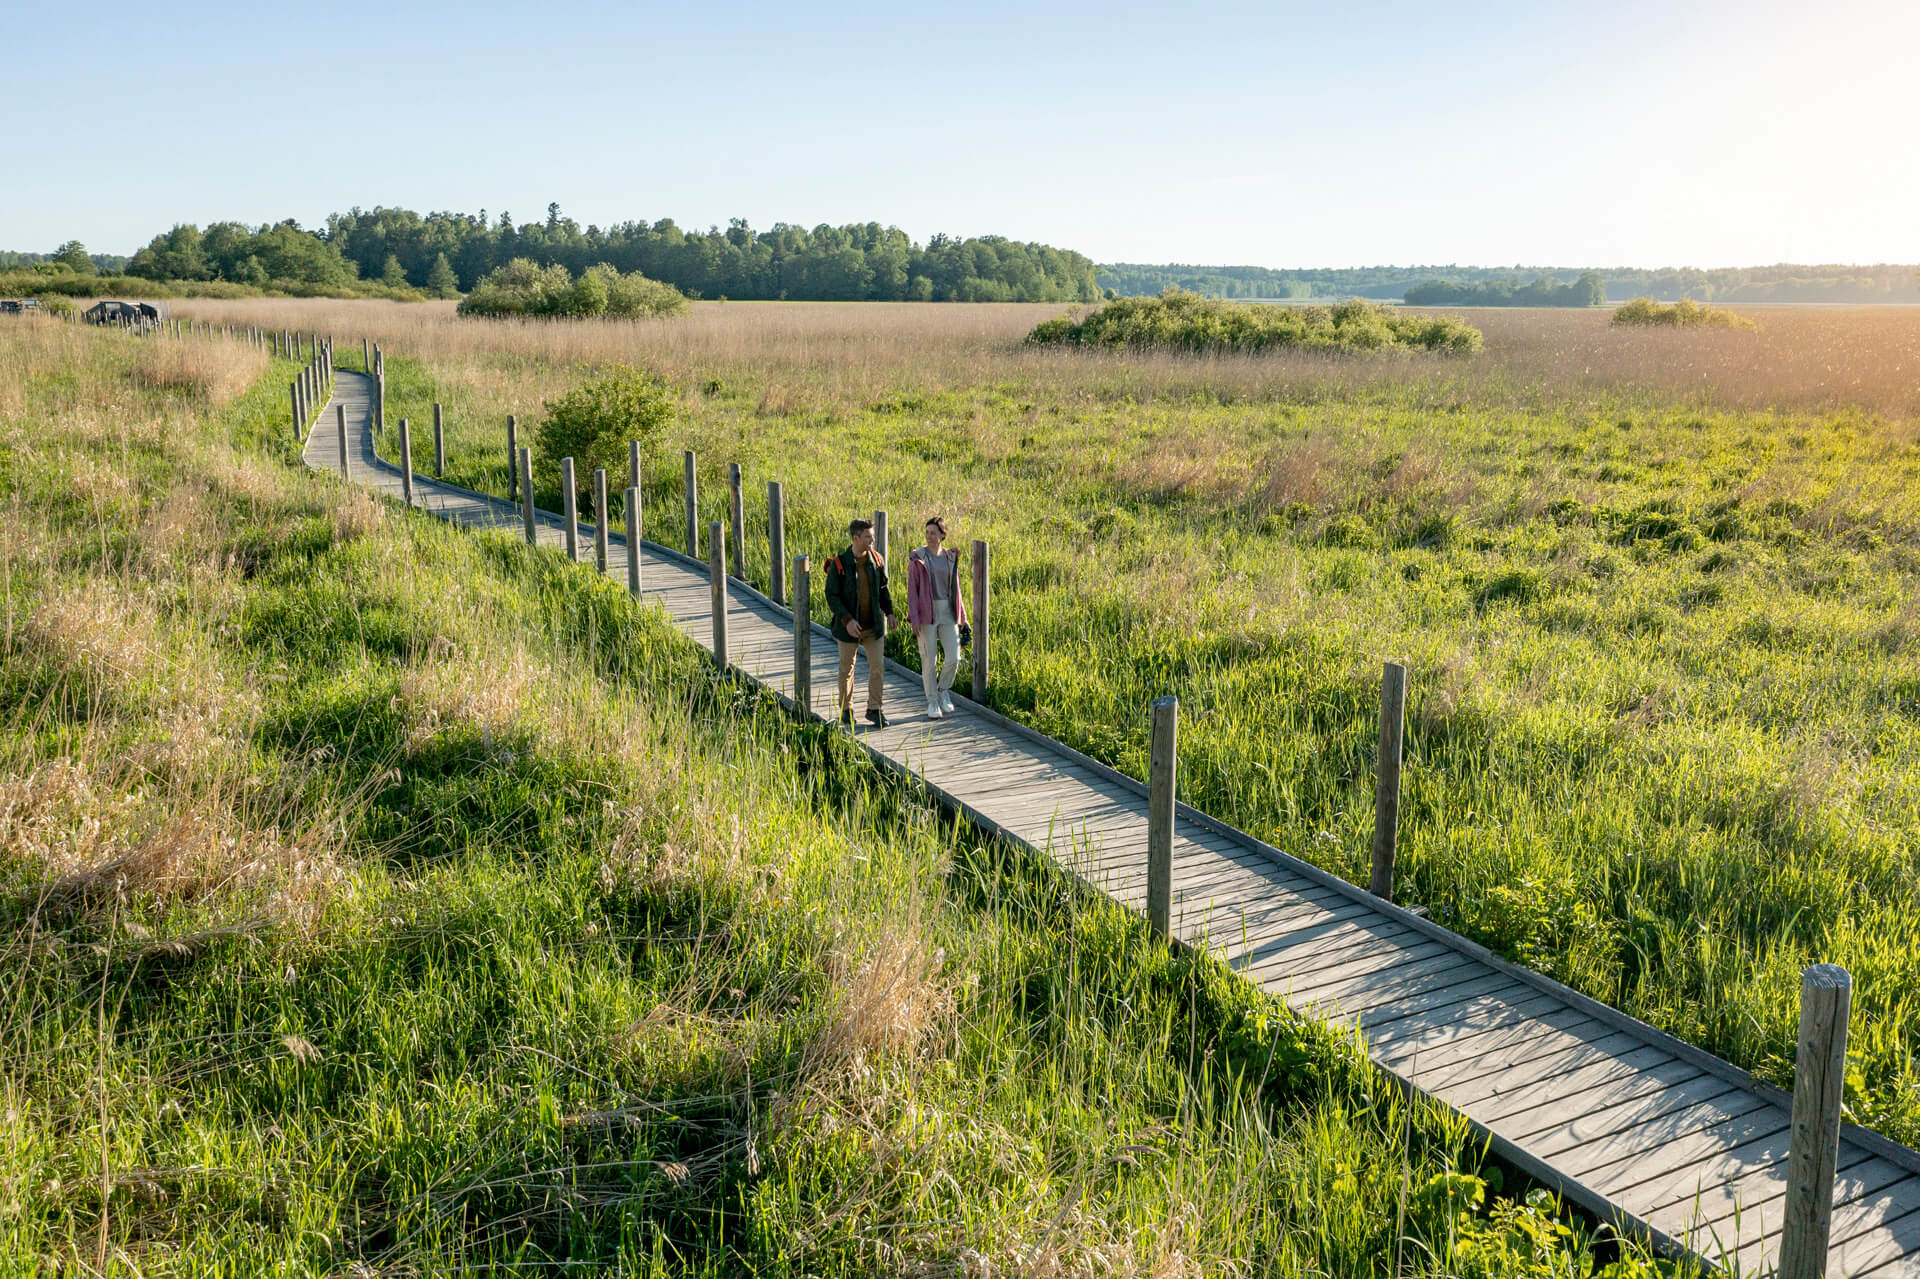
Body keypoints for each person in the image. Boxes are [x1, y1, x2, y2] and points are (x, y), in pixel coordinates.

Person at [824, 517, 896, 727]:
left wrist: (889, 612)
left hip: (873, 625)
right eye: (868, 537)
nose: (871, 540)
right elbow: (832, 596)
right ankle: (846, 710)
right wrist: (847, 620)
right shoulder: (839, 563)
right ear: (856, 538)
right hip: (849, 628)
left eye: (872, 536)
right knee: (847, 669)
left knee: (877, 667)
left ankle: (875, 709)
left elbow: (883, 588)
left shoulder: (877, 560)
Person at [907, 516, 969, 719]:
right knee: (929, 659)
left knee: (954, 657)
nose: (929, 536)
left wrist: (963, 617)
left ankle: (943, 691)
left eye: (933, 533)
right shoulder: (918, 557)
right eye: (927, 532)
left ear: (943, 535)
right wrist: (914, 618)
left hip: (948, 612)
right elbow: (912, 591)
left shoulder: (950, 557)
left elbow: (956, 589)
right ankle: (932, 702)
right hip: (926, 613)